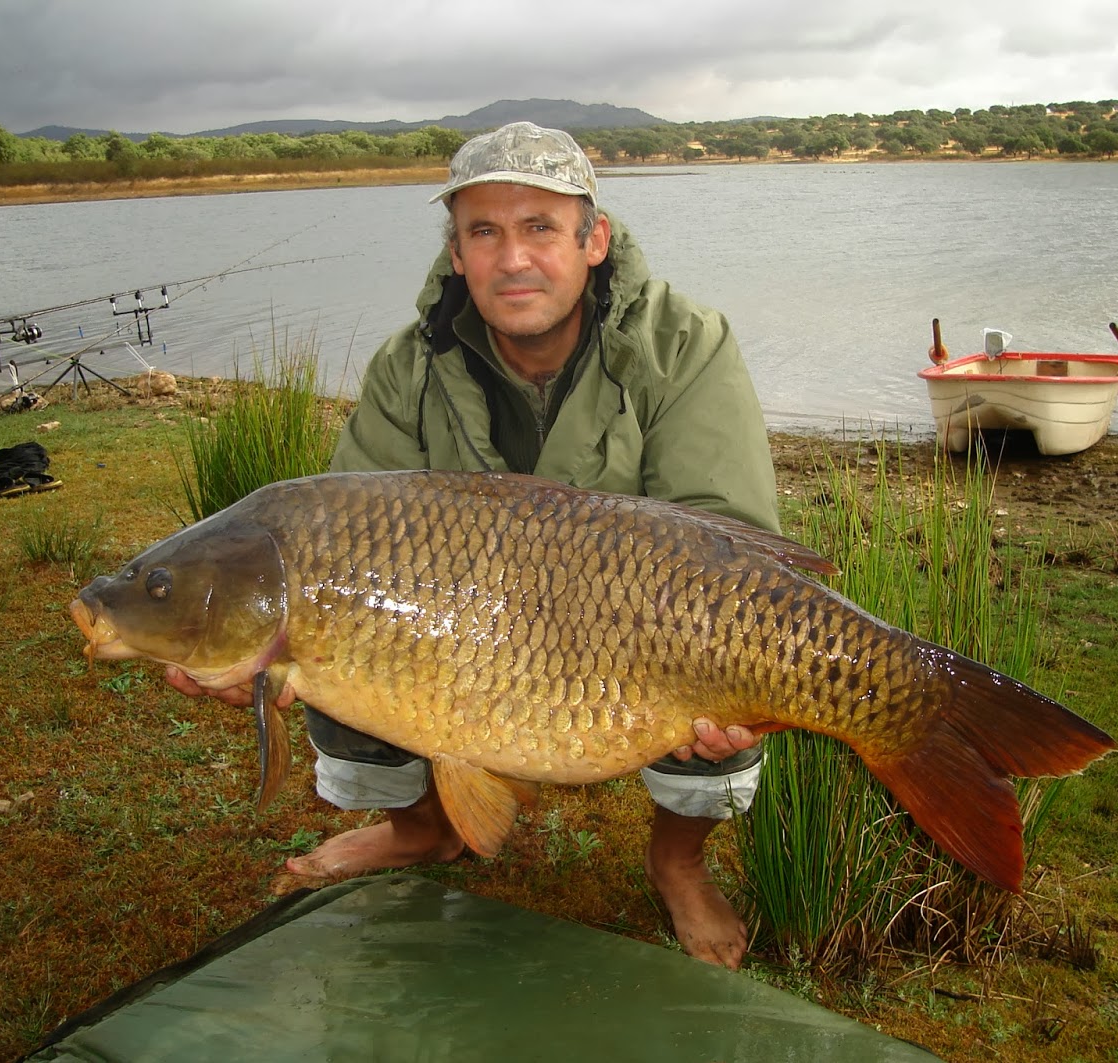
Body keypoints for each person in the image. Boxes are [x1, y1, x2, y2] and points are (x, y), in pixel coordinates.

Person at [168, 122, 779, 970]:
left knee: (742, 643)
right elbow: (334, 542)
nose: (512, 258)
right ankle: (424, 831)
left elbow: (726, 521)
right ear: (456, 252)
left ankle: (676, 861)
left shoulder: (683, 343)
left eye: (539, 228)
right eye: (484, 231)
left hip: (634, 624)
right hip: (464, 636)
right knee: (335, 646)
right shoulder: (405, 370)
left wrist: (689, 639)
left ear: (593, 239)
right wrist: (237, 643)